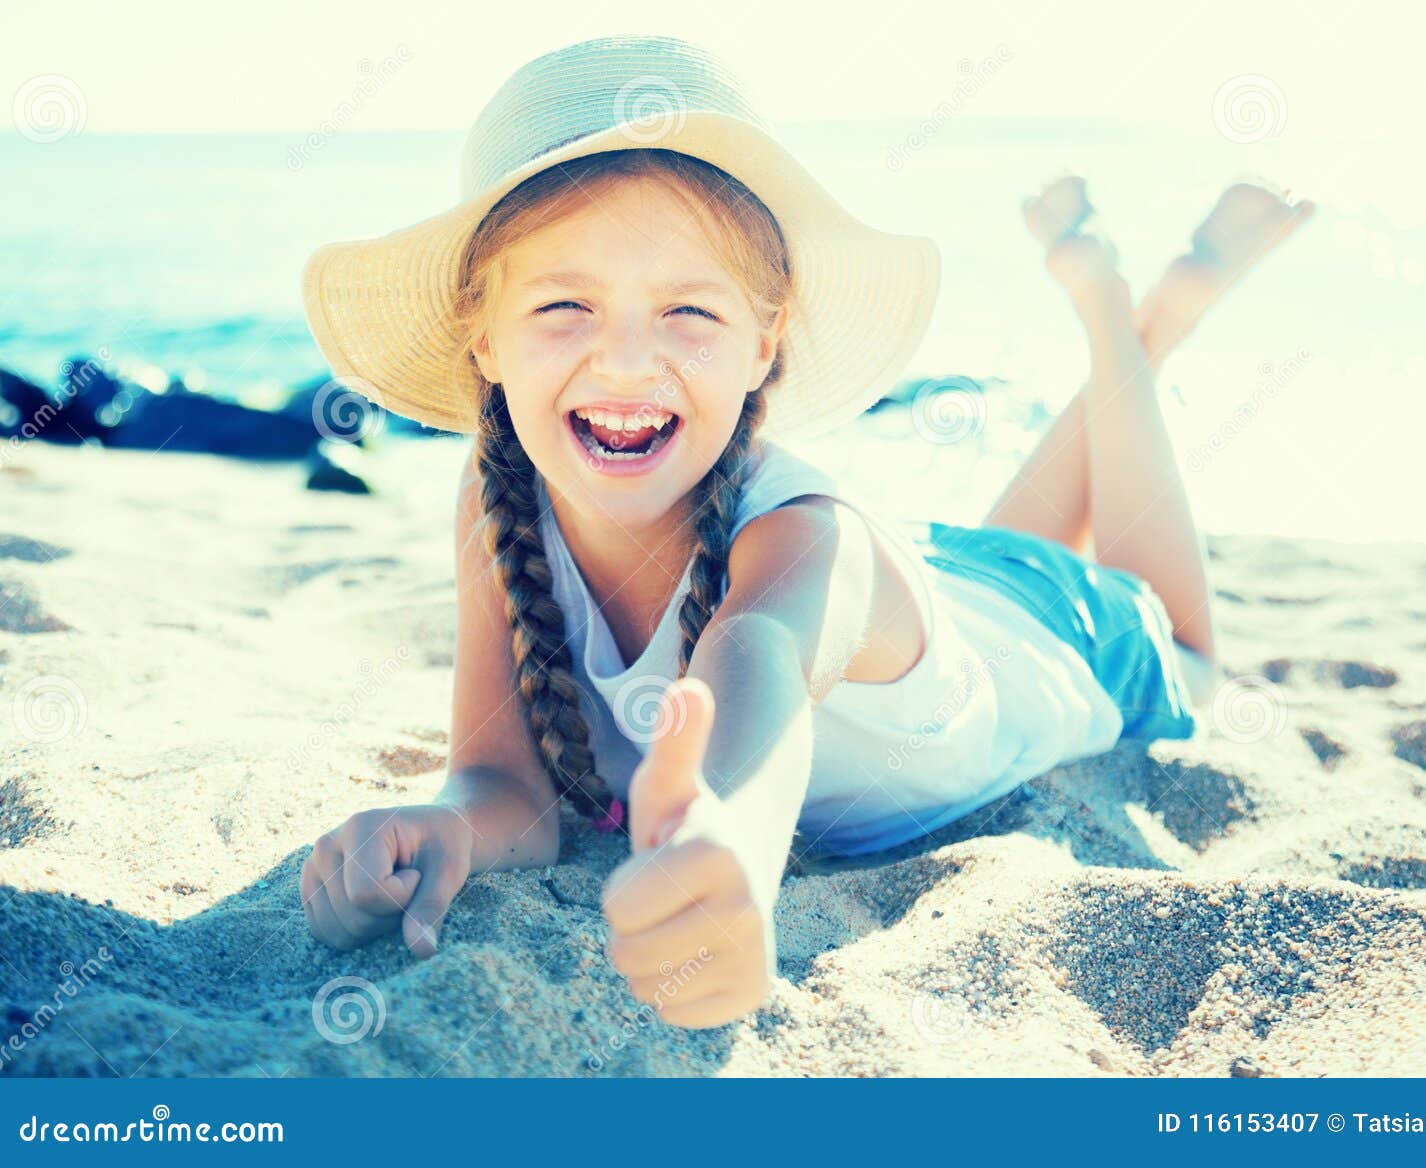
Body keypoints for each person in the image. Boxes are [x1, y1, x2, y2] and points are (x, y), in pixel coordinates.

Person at [296, 34, 1313, 1030]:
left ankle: (1128, 313)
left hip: (1067, 636)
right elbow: (508, 784)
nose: (623, 363)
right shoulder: (496, 497)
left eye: (688, 312)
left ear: (761, 342)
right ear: (485, 337)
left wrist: (727, 843)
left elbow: (760, 662)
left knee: (1195, 656)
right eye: (565, 304)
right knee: (994, 567)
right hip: (936, 591)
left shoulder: (803, 547)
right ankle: (1114, 304)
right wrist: (450, 822)